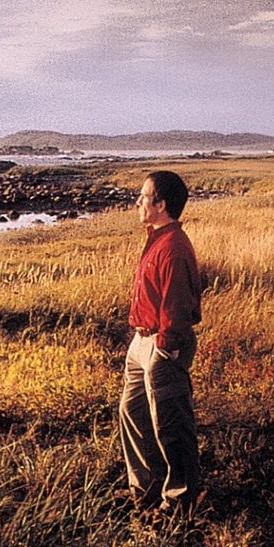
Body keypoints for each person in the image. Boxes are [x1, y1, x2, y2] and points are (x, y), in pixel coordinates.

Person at [119, 169, 202, 510]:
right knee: (132, 411)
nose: (138, 201)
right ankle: (145, 490)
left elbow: (178, 306)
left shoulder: (173, 249)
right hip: (141, 342)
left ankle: (180, 503)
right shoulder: (157, 237)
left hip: (161, 345)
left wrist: (165, 349)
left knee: (170, 424)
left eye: (144, 196)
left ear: (161, 204)